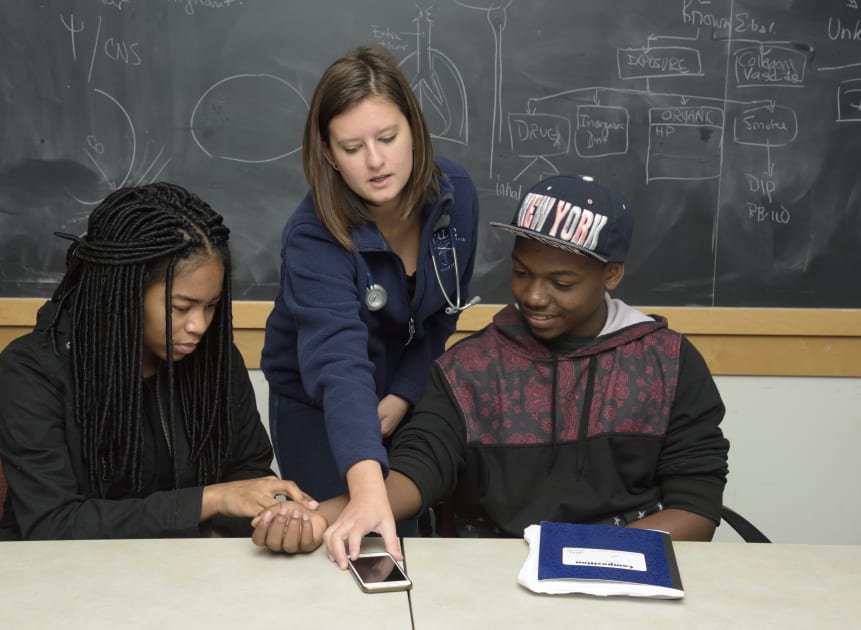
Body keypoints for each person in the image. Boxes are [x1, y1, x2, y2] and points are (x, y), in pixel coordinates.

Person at [252, 174, 730, 568]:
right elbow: (417, 470)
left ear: (611, 275)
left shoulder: (669, 364)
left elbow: (696, 508)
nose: (534, 296)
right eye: (522, 273)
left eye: (561, 282)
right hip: (495, 586)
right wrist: (318, 517)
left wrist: (580, 560)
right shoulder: (471, 368)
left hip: (629, 581)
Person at [0, 182, 316, 540]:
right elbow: (52, 524)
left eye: (212, 306)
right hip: (60, 583)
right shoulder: (34, 370)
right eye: (181, 307)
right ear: (125, 292)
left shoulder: (216, 363)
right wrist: (209, 501)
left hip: (182, 580)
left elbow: (247, 474)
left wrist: (274, 518)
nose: (200, 326)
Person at [260, 44, 479, 555]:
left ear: (415, 130)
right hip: (319, 401)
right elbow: (338, 364)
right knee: (340, 541)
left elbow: (445, 312)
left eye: (387, 137)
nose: (376, 161)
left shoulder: (456, 195)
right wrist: (364, 487)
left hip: (411, 383)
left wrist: (404, 392)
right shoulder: (312, 235)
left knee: (408, 533)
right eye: (352, 148)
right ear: (329, 155)